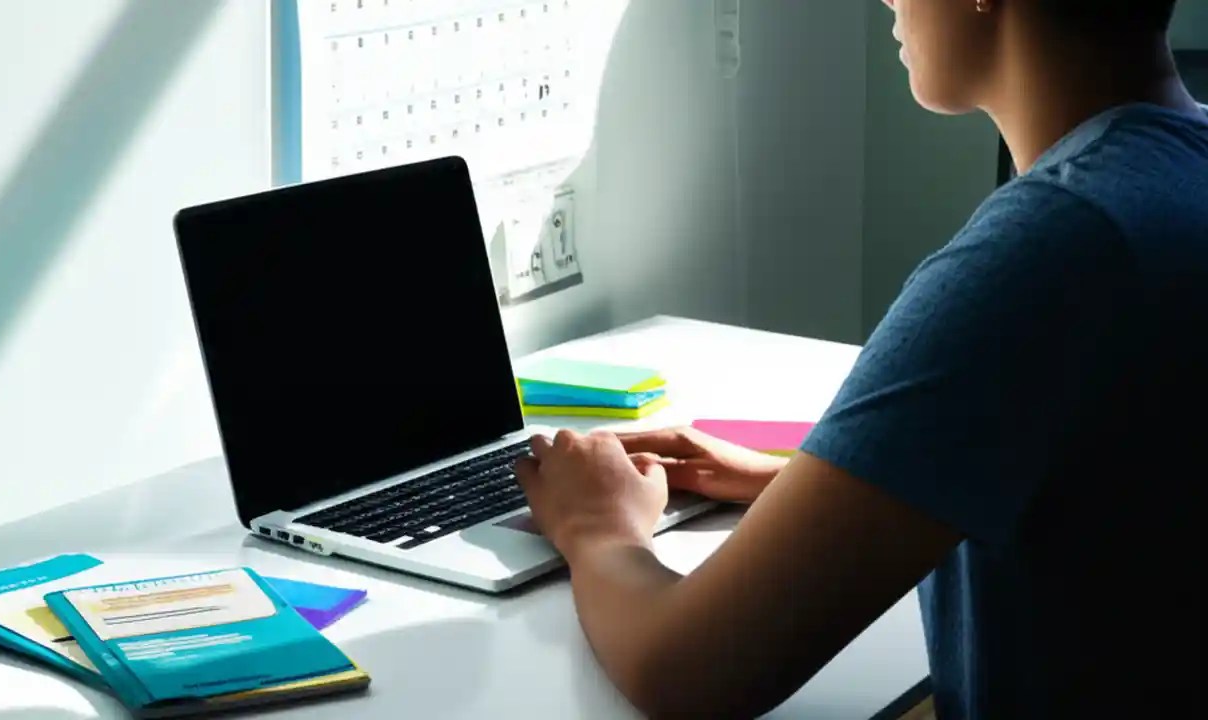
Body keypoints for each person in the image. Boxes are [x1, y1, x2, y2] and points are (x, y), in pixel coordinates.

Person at [514, 0, 1207, 717]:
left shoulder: (1051, 248)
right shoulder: (1177, 178)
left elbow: (683, 671)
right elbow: (1119, 490)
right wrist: (829, 493)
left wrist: (597, 527)